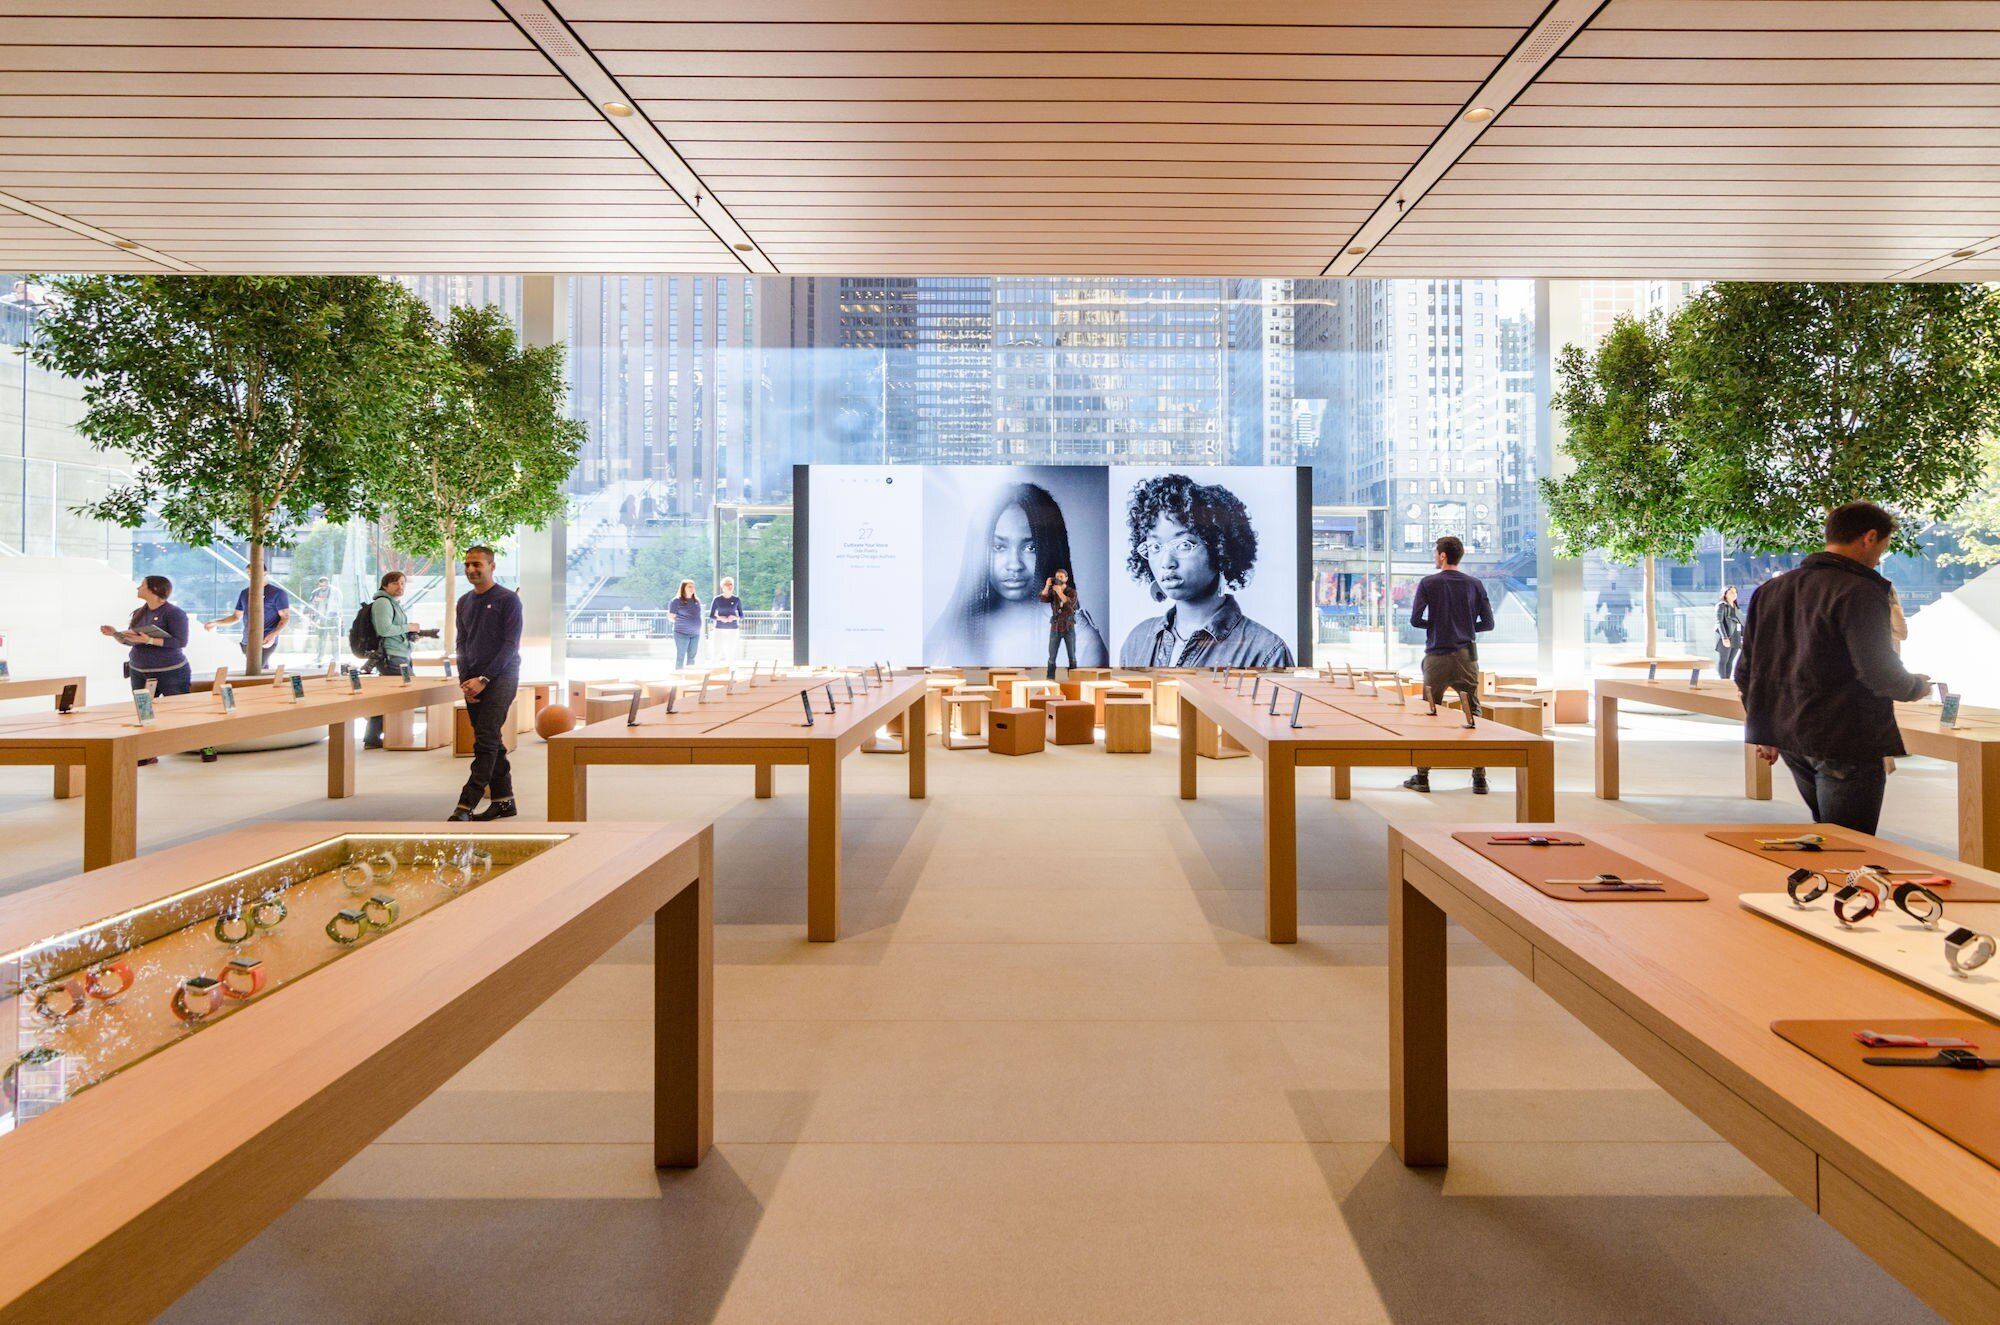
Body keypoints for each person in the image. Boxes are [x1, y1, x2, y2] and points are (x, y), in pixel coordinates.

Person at [1736, 501, 1933, 836]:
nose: (1879, 558)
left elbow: (1746, 671)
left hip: (1791, 737)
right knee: (1850, 845)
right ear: (1869, 537)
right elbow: (1877, 671)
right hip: (1845, 737)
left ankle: (1822, 887)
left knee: (1829, 838)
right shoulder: (1861, 590)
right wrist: (1916, 687)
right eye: (1883, 548)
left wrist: (1765, 728)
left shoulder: (1771, 590)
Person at [1117, 472, 1292, 668]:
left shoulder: (1265, 652)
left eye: (1183, 545)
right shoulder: (1138, 641)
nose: (1166, 562)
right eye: (1155, 547)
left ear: (1220, 549)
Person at [927, 481, 1107, 666]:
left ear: (1051, 549)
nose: (1014, 564)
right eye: (998, 547)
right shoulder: (956, 631)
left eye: (1031, 547)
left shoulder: (1081, 640)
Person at [1402, 537, 1496, 795]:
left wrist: (1437, 626)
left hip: (1436, 658)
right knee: (1473, 714)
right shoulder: (1475, 585)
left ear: (1443, 556)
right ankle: (1479, 778)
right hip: (1466, 657)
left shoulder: (1429, 583)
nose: (1434, 556)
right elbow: (1488, 623)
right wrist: (1465, 628)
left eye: (1435, 552)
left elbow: (1415, 620)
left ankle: (1422, 776)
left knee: (1430, 713)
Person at [449, 546, 523, 823]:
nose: (470, 569)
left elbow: (509, 646)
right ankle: (504, 802)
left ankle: (466, 804)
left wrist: (484, 679)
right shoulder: (464, 602)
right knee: (492, 741)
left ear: (492, 566)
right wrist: (465, 680)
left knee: (485, 740)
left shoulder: (508, 600)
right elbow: (462, 643)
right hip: (473, 681)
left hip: (501, 677)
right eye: (467, 564)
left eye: (477, 564)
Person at [103, 574, 191, 698]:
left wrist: (149, 640)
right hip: (139, 671)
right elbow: (131, 641)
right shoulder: (139, 613)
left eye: (142, 585)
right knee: (144, 713)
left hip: (170, 672)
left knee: (176, 710)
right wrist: (115, 634)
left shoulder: (174, 613)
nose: (138, 588)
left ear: (153, 589)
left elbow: (180, 642)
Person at [360, 571, 420, 750]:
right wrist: (408, 627)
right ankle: (378, 736)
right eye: (395, 583)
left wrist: (408, 635)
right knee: (396, 696)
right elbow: (384, 629)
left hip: (399, 655)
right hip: (391, 657)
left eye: (402, 583)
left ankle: (376, 737)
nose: (400, 587)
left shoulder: (393, 603)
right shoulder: (383, 603)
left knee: (391, 697)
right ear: (385, 585)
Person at [205, 576, 291, 669]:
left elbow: (285, 618)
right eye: (248, 572)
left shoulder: (277, 593)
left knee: (256, 670)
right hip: (247, 641)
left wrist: (273, 634)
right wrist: (215, 623)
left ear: (265, 573)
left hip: (266, 640)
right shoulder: (245, 593)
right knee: (260, 671)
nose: (250, 575)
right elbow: (235, 616)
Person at [1040, 567, 1085, 678]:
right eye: (1057, 577)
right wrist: (1047, 586)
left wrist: (1060, 592)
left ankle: (1074, 679)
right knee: (1052, 656)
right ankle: (1050, 680)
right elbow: (1042, 598)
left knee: (1072, 655)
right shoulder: (1053, 592)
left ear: (1066, 578)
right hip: (1055, 627)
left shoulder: (1072, 592)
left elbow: (1070, 604)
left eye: (1061, 576)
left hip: (1068, 626)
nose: (1058, 578)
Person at [708, 576, 744, 665]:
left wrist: (734, 617)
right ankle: (714, 671)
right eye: (727, 584)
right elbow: (711, 616)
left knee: (731, 652)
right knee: (717, 651)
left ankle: (731, 672)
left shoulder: (736, 599)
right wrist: (720, 618)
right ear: (723, 587)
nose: (730, 586)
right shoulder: (717, 599)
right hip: (719, 628)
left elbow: (741, 615)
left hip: (733, 629)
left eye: (731, 584)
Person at [667, 579, 703, 668]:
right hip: (681, 633)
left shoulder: (697, 601)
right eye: (689, 586)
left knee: (692, 657)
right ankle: (679, 677)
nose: (692, 588)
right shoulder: (676, 601)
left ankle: (690, 677)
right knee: (681, 656)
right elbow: (671, 617)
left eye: (693, 587)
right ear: (683, 588)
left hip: (695, 634)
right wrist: (683, 622)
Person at [1715, 585, 1743, 680]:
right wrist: (1724, 637)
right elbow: (1719, 622)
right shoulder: (1721, 605)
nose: (1734, 594)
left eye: (1735, 592)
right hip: (1726, 635)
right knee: (1724, 660)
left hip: (1736, 636)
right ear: (1725, 594)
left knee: (1730, 661)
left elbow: (1740, 622)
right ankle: (1723, 680)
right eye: (1731, 592)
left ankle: (1727, 680)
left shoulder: (1736, 606)